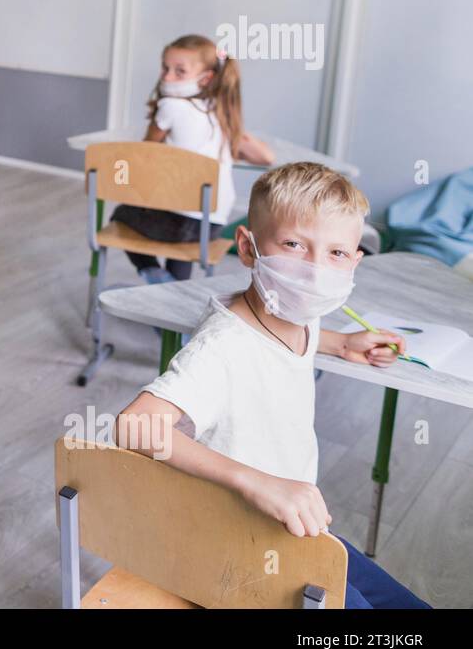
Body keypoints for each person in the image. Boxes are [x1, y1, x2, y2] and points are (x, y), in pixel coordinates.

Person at [116, 162, 430, 609]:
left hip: (286, 528)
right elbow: (135, 426)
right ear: (248, 247)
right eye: (294, 245)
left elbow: (284, 339)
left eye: (337, 253)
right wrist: (256, 483)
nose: (314, 270)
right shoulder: (222, 347)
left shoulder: (295, 312)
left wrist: (343, 344)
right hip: (236, 546)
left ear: (356, 259)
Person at [112, 34, 273, 282]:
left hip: (177, 220)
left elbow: (143, 153)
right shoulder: (219, 111)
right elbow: (266, 157)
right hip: (213, 223)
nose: (166, 77)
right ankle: (175, 298)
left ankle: (153, 275)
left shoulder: (170, 106)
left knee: (122, 213)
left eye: (179, 71)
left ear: (205, 78)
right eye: (165, 68)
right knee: (183, 231)